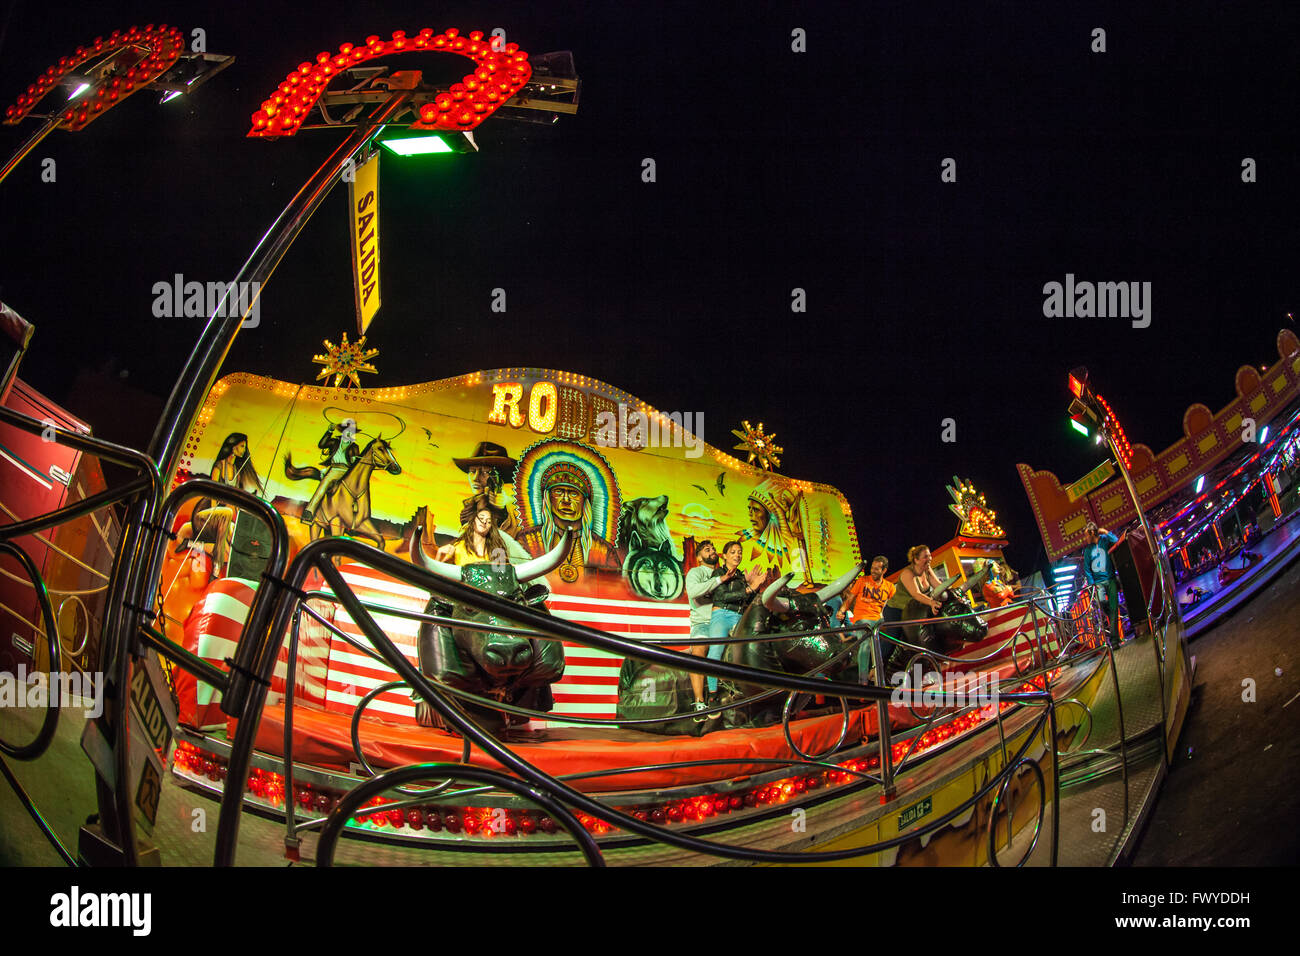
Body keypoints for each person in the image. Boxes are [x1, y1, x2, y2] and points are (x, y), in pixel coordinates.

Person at [517, 460, 623, 583]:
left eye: (573, 493)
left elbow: (613, 587)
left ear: (585, 502)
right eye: (559, 492)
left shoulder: (603, 551)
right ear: (548, 499)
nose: (566, 500)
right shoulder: (529, 540)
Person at [176, 433, 265, 571]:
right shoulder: (219, 466)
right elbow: (212, 493)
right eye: (241, 446)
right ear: (232, 447)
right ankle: (215, 571)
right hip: (206, 516)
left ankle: (191, 544)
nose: (243, 450)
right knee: (226, 513)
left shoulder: (237, 471)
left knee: (228, 553)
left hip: (224, 518)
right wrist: (213, 513)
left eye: (244, 447)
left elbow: (234, 502)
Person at [703, 540, 765, 705]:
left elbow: (748, 599)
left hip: (739, 616)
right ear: (724, 556)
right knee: (715, 652)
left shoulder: (740, 577)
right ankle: (712, 695)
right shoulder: (718, 573)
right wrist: (749, 588)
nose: (737, 555)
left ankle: (748, 691)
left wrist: (754, 587)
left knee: (749, 651)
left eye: (739, 552)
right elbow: (723, 596)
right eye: (733, 552)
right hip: (721, 615)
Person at [881, 545, 944, 670]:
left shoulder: (927, 570)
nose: (930, 558)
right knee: (893, 638)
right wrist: (931, 602)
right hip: (896, 609)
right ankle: (876, 666)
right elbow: (916, 594)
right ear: (916, 559)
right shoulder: (907, 573)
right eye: (926, 556)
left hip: (913, 610)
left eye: (930, 555)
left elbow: (939, 586)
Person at [837, 555, 894, 680]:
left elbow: (890, 606)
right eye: (872, 568)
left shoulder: (890, 587)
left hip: (878, 620)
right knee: (866, 642)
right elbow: (850, 599)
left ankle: (879, 671)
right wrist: (841, 610)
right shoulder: (862, 581)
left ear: (884, 571)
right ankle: (863, 679)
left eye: (877, 569)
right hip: (862, 619)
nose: (873, 571)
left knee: (893, 633)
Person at [683, 540, 722, 719]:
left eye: (713, 549)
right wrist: (718, 581)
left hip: (723, 622)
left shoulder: (724, 573)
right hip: (703, 623)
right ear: (699, 557)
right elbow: (693, 592)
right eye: (707, 550)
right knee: (698, 651)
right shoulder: (695, 572)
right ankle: (699, 703)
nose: (712, 551)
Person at [452, 441, 521, 537]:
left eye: (485, 472)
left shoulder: (512, 509)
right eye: (472, 471)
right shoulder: (470, 505)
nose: (475, 478)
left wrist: (502, 509)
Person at [302, 419, 358, 523]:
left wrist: (354, 460)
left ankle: (354, 518)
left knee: (356, 489)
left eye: (352, 431)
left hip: (347, 471)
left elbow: (355, 462)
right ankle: (309, 512)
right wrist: (329, 431)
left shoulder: (354, 446)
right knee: (323, 486)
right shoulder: (334, 442)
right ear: (343, 431)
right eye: (348, 430)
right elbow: (321, 445)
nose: (350, 433)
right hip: (334, 469)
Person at [435, 494, 510, 565]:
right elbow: (439, 571)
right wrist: (439, 555)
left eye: (489, 521)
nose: (484, 522)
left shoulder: (497, 551)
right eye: (481, 518)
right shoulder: (458, 547)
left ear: (491, 527)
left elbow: (501, 574)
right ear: (473, 522)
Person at [1081, 522, 1121, 647]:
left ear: (1092, 533)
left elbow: (1116, 541)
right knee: (1103, 603)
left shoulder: (1104, 540)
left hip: (1110, 579)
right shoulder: (1087, 550)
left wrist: (1106, 532)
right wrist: (1092, 585)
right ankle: (1113, 617)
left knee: (1114, 608)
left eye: (1086, 535)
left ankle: (1114, 641)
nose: (1085, 538)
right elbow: (1087, 569)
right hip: (1098, 584)